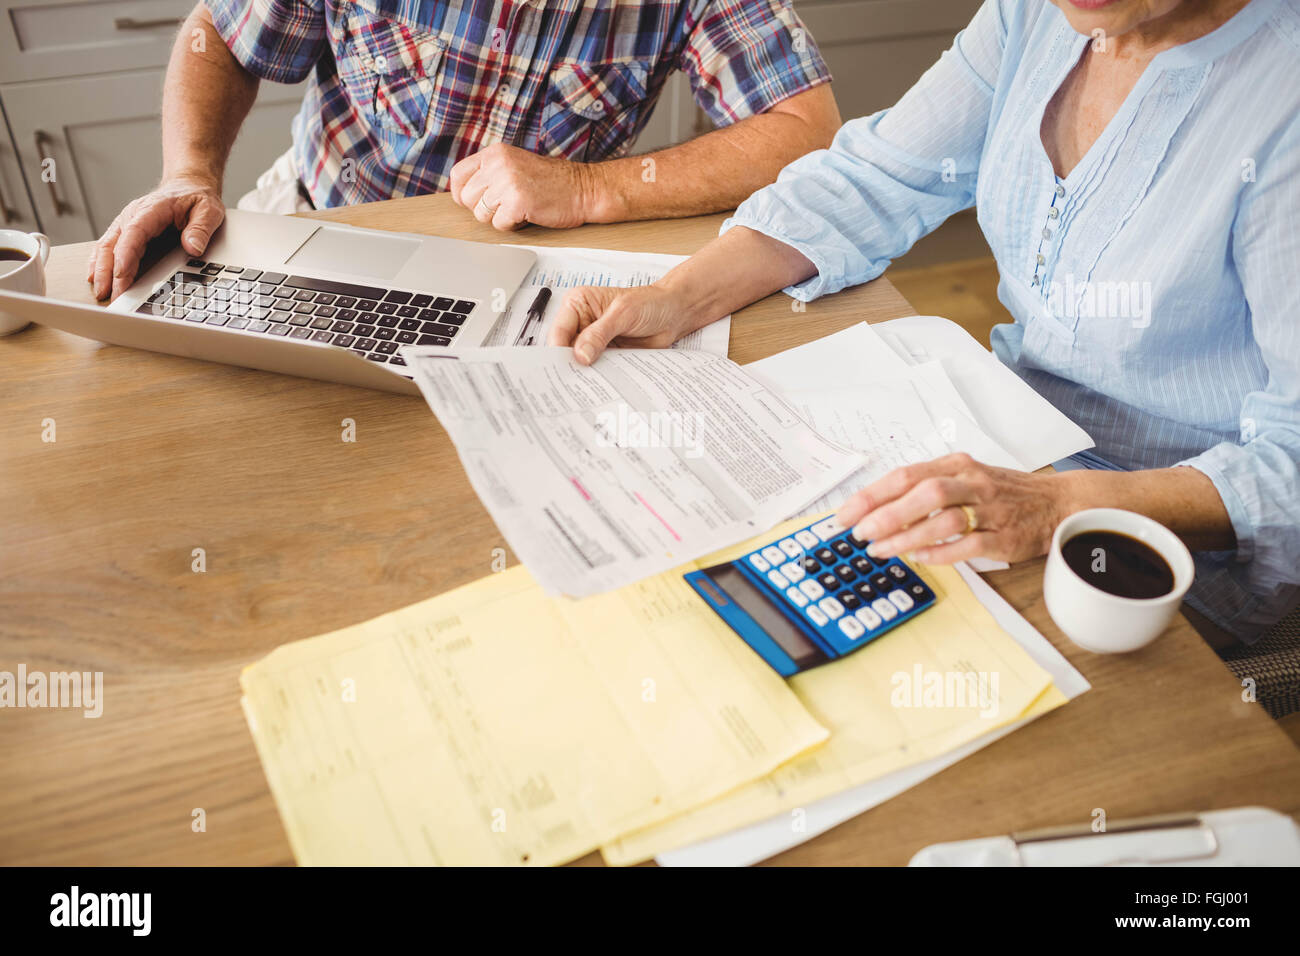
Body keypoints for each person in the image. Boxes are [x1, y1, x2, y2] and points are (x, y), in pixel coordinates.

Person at [550, 0, 1300, 642]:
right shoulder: (1034, 15)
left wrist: (1053, 508)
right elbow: (876, 177)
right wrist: (679, 296)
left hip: (1153, 548)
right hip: (1002, 453)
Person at [88, 0, 840, 302]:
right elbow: (216, 34)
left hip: (531, 270)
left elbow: (807, 124)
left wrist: (585, 189)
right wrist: (189, 171)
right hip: (315, 224)